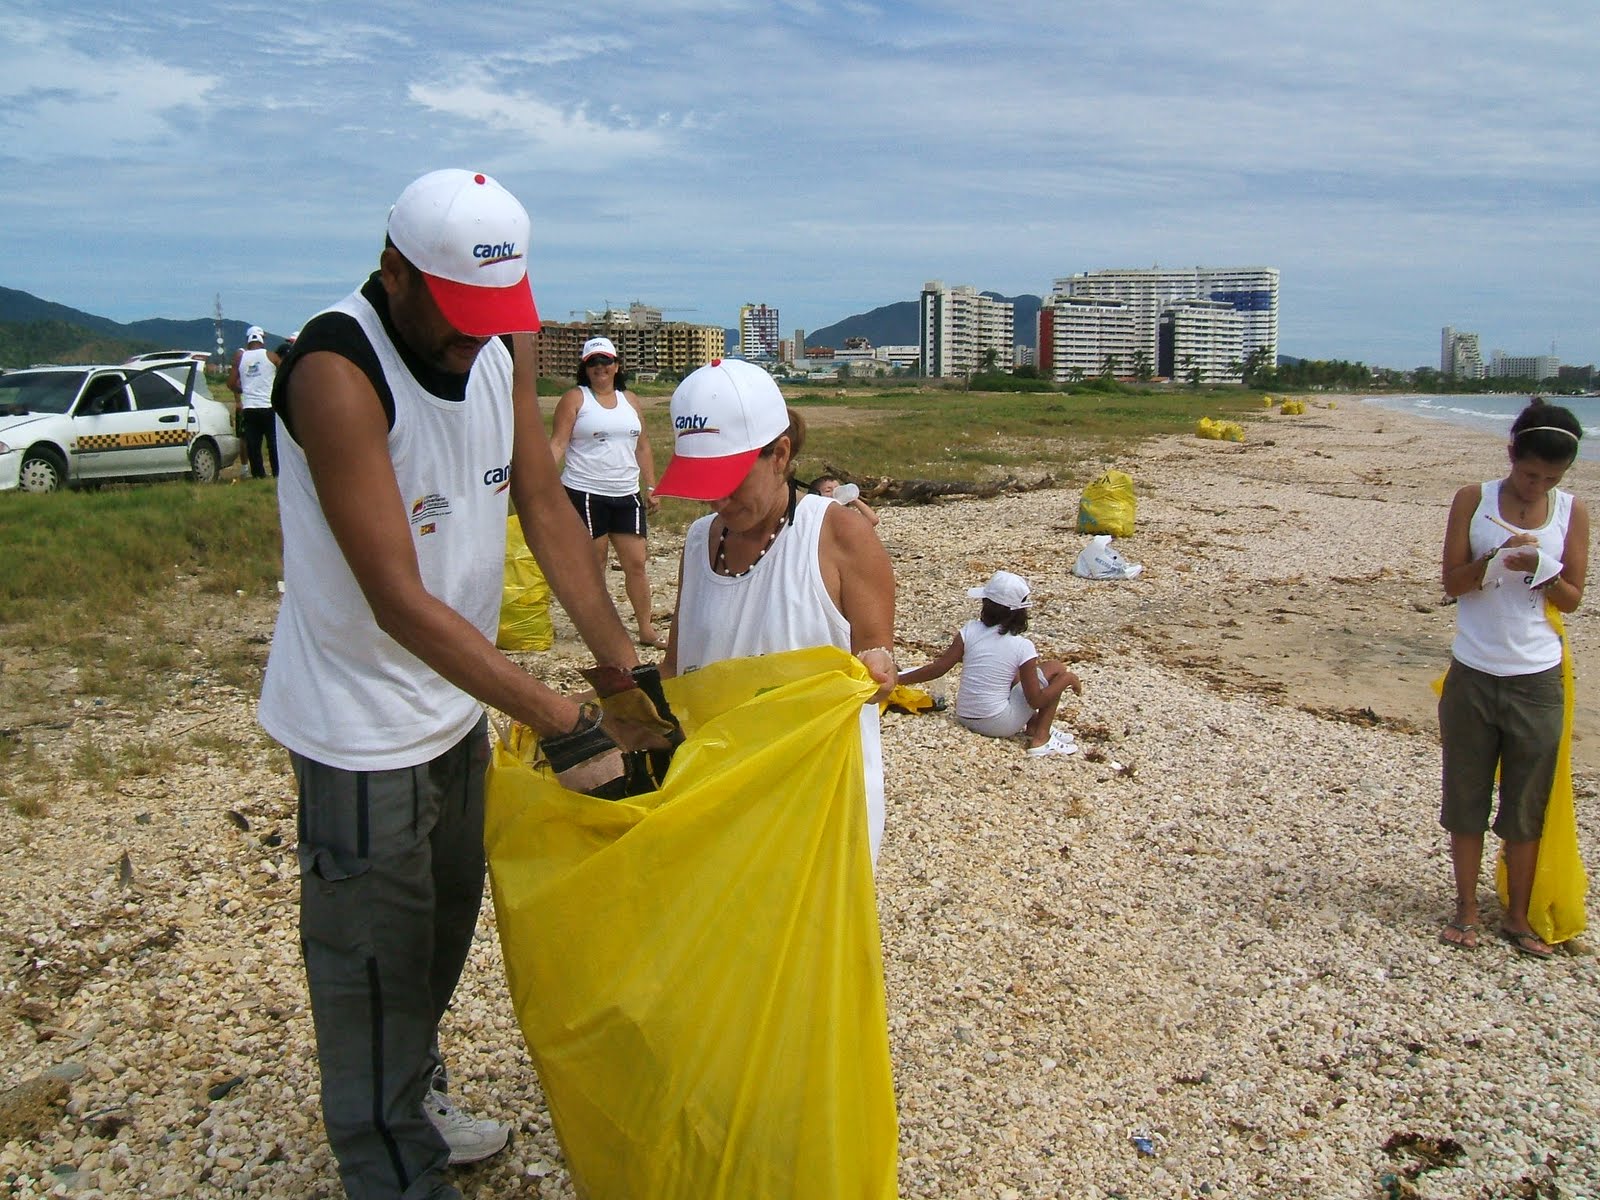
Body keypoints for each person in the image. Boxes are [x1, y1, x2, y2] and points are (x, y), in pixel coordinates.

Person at [258, 168, 661, 1200]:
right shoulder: (334, 374)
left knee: (439, 927)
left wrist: (620, 673)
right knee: (371, 960)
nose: (479, 338)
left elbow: (541, 498)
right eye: (458, 313)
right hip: (359, 722)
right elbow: (396, 599)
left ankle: (411, 1084)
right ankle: (389, 1166)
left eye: (498, 316)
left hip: (451, 708)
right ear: (396, 271)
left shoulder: (500, 342)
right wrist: (564, 720)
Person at [656, 358, 897, 860]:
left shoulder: (838, 535)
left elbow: (874, 655)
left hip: (814, 804)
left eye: (729, 479)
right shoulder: (699, 541)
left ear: (780, 454)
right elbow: (677, 669)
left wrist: (877, 666)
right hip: (716, 797)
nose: (718, 500)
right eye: (704, 482)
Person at [1437, 398, 1588, 958]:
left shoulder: (1572, 511)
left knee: (1528, 804)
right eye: (1529, 474)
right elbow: (1452, 583)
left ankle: (1518, 916)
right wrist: (1496, 559)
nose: (1536, 486)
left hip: (1538, 677)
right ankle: (1466, 908)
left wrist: (1543, 571)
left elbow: (1572, 599)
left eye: (1550, 477)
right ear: (1510, 457)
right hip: (1473, 671)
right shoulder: (1473, 500)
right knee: (1466, 795)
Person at [548, 336, 666, 648]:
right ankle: (598, 629)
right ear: (585, 368)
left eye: (606, 362)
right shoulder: (575, 399)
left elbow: (642, 444)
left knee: (636, 562)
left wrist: (652, 485)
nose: (600, 368)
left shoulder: (630, 399)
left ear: (616, 365)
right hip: (585, 490)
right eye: (593, 363)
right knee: (594, 563)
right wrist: (542, 480)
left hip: (626, 493)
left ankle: (645, 628)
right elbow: (558, 443)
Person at [897, 570, 1082, 757]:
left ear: (986, 604)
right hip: (998, 724)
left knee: (1037, 669)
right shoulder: (1022, 646)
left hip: (965, 715)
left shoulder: (970, 630)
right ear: (1020, 612)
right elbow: (1036, 700)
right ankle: (1041, 738)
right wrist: (1067, 680)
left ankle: (1037, 723)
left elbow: (939, 668)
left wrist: (898, 679)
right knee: (1058, 673)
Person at [228, 325, 281, 478]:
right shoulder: (271, 356)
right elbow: (284, 372)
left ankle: (258, 474)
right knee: (273, 443)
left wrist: (243, 389)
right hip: (269, 406)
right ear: (261, 339)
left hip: (250, 407)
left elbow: (231, 383)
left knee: (253, 444)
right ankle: (278, 472)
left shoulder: (240, 357)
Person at [810, 474, 879, 526]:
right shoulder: (813, 517)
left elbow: (873, 520)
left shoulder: (843, 515)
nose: (835, 493)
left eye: (838, 489)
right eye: (828, 491)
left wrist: (854, 499)